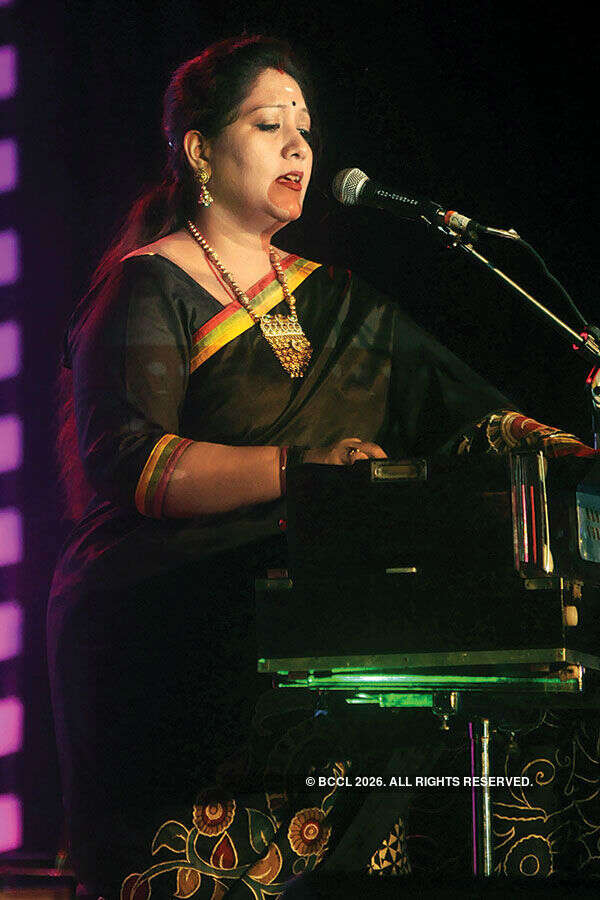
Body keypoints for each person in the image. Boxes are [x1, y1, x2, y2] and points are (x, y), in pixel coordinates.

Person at [47, 34, 597, 900]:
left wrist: (577, 457)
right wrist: (304, 467)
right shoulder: (148, 284)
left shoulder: (342, 301)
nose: (299, 147)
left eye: (304, 128)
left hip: (332, 620)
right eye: (269, 125)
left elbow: (470, 419)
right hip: (177, 621)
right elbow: (134, 463)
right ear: (199, 150)